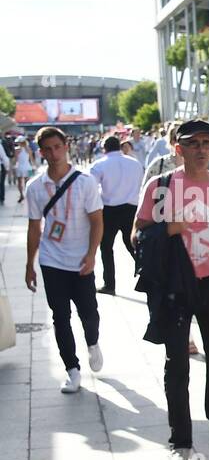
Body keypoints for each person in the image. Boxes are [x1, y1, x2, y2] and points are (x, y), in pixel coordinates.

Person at [133, 120, 209, 460]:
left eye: (206, 143)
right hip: (175, 283)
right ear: (178, 148)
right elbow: (138, 234)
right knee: (177, 363)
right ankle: (180, 442)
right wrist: (171, 227)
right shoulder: (162, 186)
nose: (201, 149)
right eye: (192, 143)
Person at [23, 127, 104, 394]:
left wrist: (92, 254)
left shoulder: (85, 181)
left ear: (66, 145)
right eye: (48, 148)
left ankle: (93, 342)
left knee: (89, 314)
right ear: (41, 151)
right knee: (60, 316)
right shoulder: (35, 186)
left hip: (81, 260)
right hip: (52, 260)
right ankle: (72, 369)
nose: (54, 153)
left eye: (58, 146)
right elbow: (34, 227)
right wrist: (29, 264)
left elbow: (96, 222)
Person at [88, 134, 144, 295]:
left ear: (104, 148)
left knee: (106, 247)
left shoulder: (99, 165)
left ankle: (110, 284)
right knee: (133, 244)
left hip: (109, 209)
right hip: (131, 208)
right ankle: (147, 272)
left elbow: (92, 188)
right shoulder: (135, 163)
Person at [12, 135, 33, 201]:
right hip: (28, 167)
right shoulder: (28, 149)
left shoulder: (17, 149)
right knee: (29, 182)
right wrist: (34, 166)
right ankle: (28, 195)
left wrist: (13, 166)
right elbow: (31, 159)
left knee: (19, 182)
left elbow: (15, 160)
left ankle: (21, 195)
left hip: (20, 167)